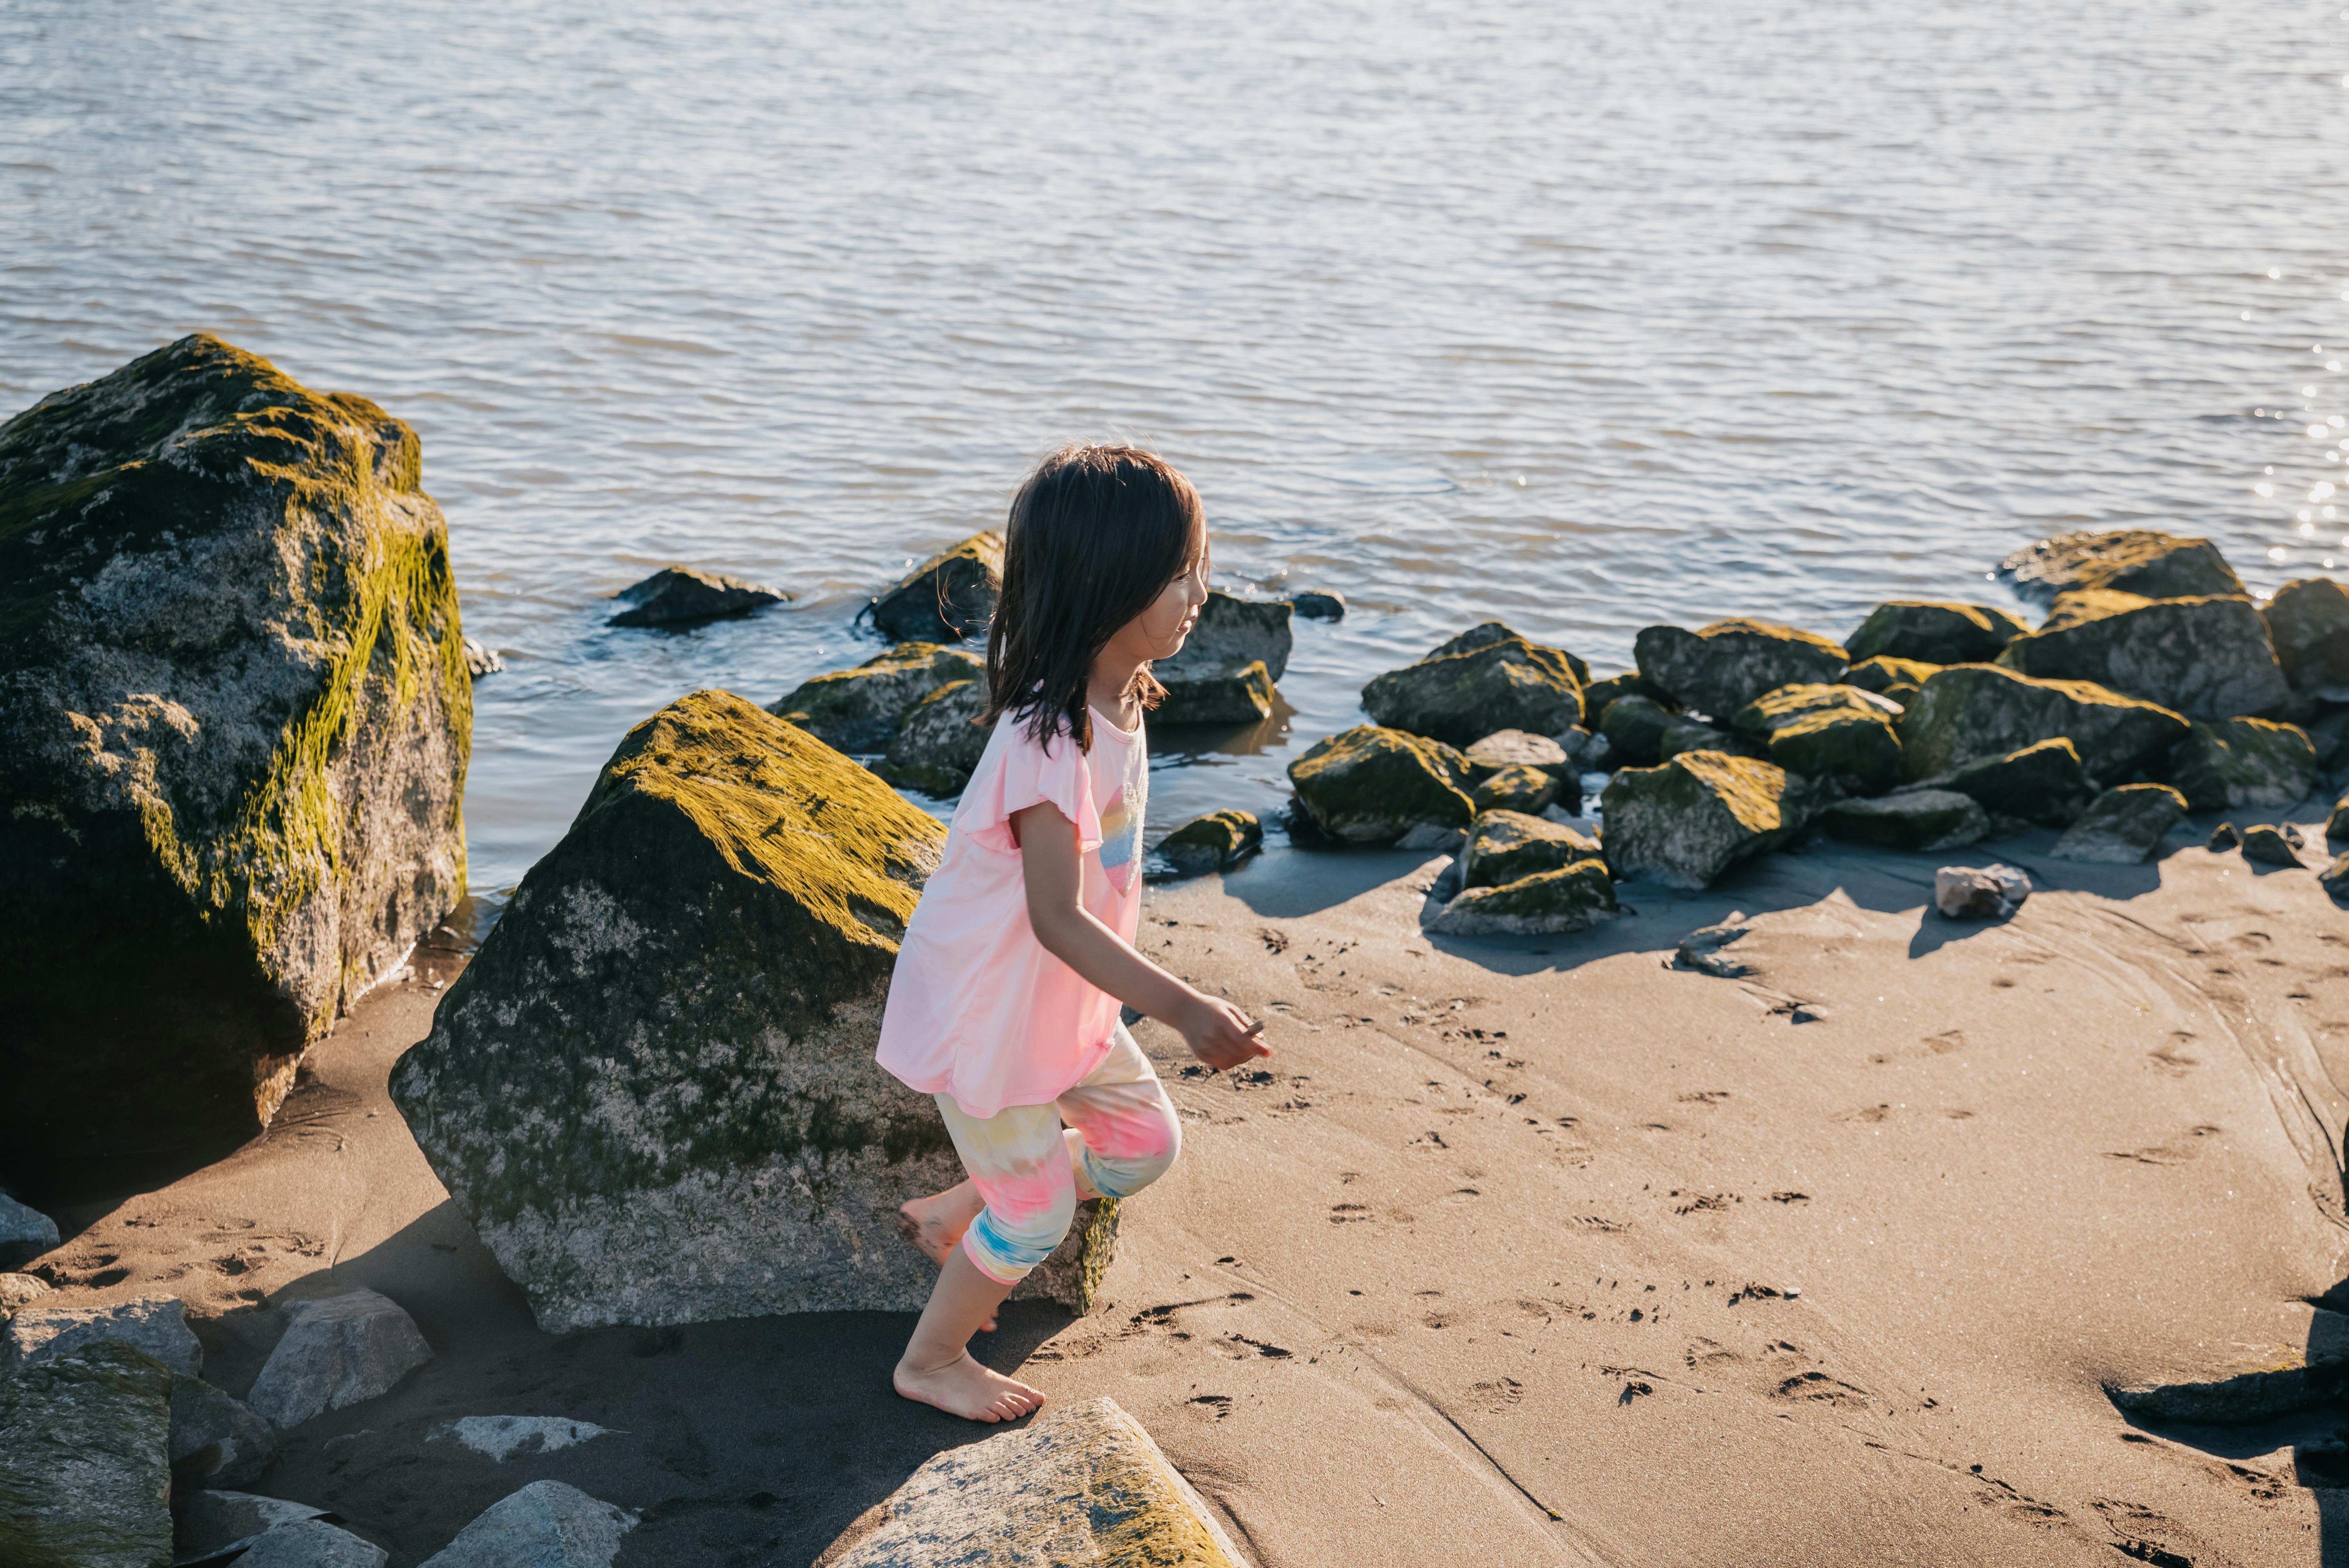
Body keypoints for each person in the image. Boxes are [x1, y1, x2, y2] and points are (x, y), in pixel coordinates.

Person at [876, 443, 1271, 1422]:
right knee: (1040, 1215)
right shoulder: (1048, 739)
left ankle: (958, 1207)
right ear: (1111, 582)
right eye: (1183, 574)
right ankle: (929, 1358)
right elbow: (1055, 917)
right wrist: (1180, 1006)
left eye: (1201, 570)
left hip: (1063, 1000)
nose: (1200, 594)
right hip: (994, 1008)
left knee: (1144, 1146)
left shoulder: (1123, 700)